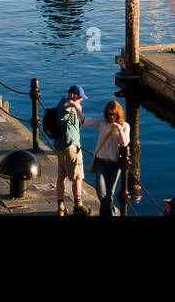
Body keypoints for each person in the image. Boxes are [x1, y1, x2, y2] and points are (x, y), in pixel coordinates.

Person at [83, 99, 131, 216]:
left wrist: (119, 129)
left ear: (118, 114)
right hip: (101, 162)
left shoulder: (125, 126)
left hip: (115, 164)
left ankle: (105, 214)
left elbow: (125, 143)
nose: (111, 117)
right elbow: (85, 120)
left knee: (110, 193)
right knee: (101, 192)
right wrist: (76, 107)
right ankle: (112, 213)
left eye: (113, 114)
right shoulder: (103, 123)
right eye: (109, 114)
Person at [54, 85, 90, 216]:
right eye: (80, 97)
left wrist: (76, 107)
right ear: (73, 95)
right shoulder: (65, 105)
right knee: (77, 177)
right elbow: (63, 114)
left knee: (61, 176)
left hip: (60, 146)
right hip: (70, 147)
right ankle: (78, 205)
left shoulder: (65, 104)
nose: (81, 100)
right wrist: (73, 106)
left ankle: (61, 206)